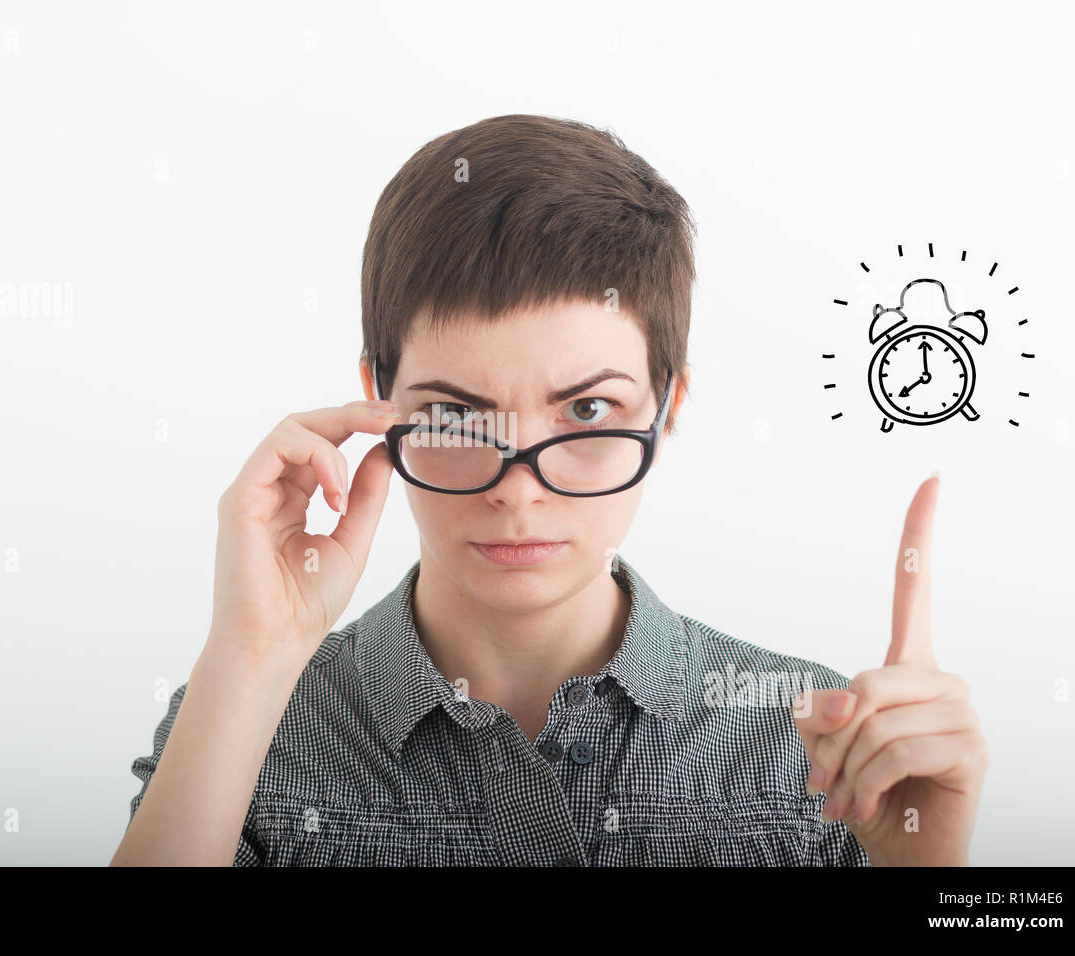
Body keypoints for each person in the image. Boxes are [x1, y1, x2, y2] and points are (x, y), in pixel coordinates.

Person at [111, 114, 986, 866]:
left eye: (588, 408)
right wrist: (252, 658)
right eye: (456, 414)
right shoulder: (246, 721)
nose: (519, 492)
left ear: (666, 406)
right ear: (378, 400)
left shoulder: (820, 744)